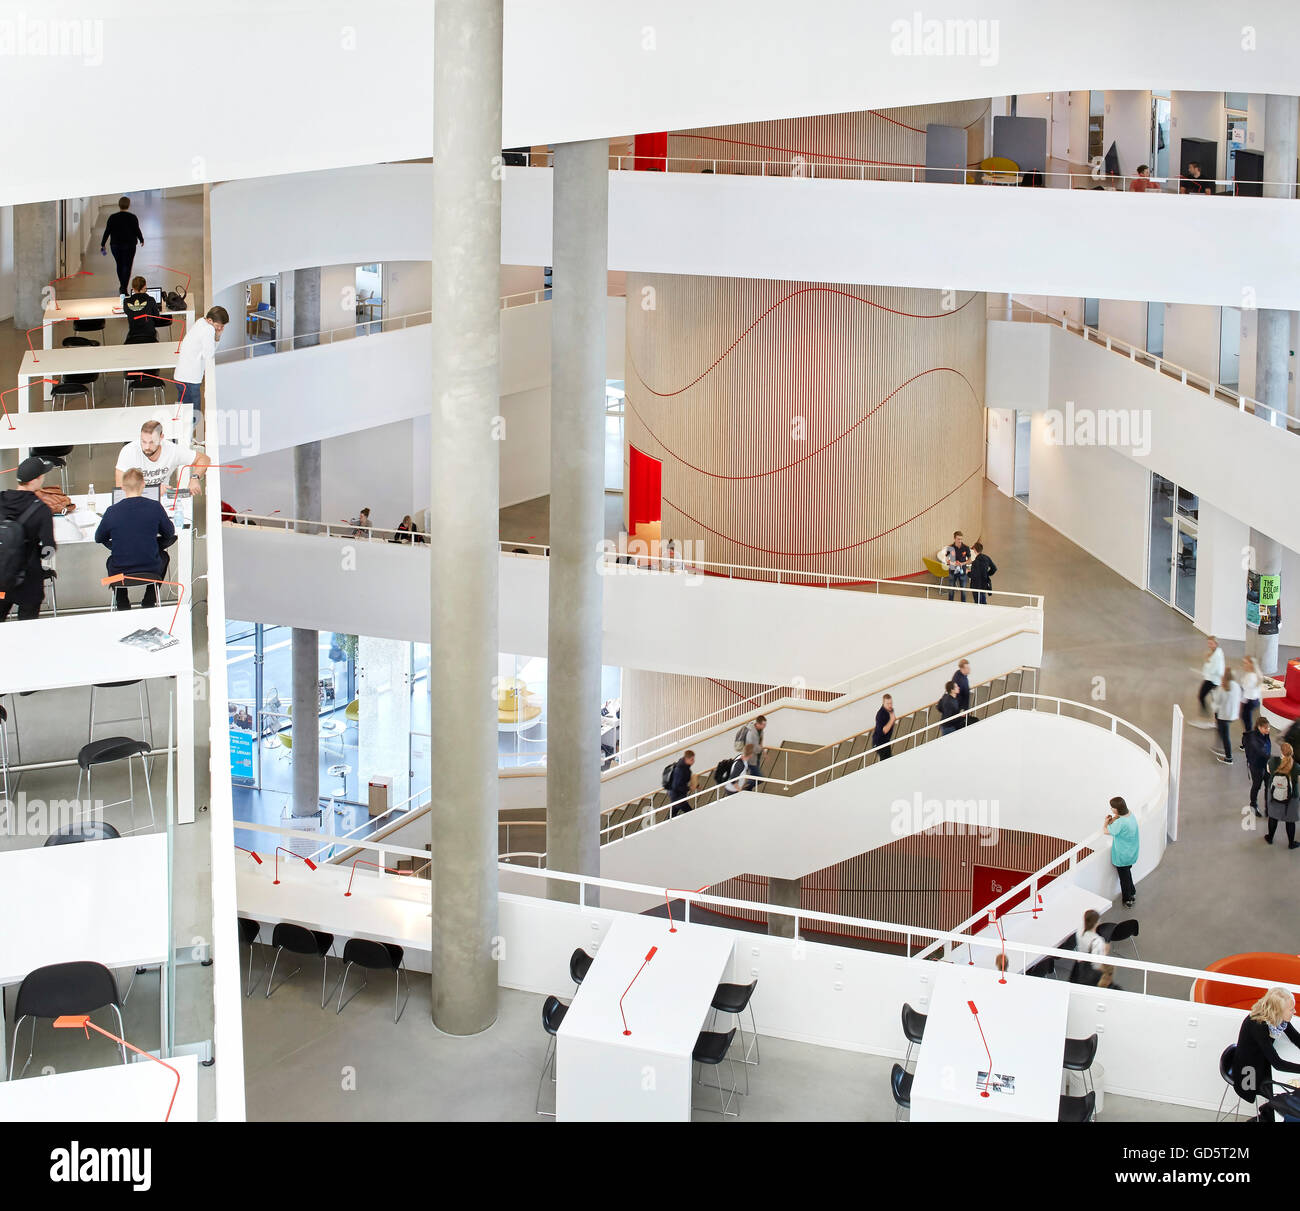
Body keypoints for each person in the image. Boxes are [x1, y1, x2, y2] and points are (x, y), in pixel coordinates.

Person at [95, 468, 176, 610]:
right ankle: (149, 601)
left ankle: (122, 603)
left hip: (120, 572)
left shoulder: (112, 511)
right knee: (163, 556)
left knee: (110, 561)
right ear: (143, 484)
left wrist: (116, 545)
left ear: (122, 487)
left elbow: (99, 538)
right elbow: (169, 533)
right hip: (151, 568)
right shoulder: (155, 507)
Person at [0, 456, 56, 621]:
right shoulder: (41, 509)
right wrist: (37, 552)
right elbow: (49, 549)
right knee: (27, 632)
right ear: (36, 480)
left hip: (2, 577)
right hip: (28, 581)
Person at [1232, 987, 1300, 1121]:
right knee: (1287, 1097)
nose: (1294, 1011)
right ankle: (1267, 1116)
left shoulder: (1277, 1019)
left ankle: (1269, 1114)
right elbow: (1278, 1064)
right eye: (1291, 1009)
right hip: (1248, 1076)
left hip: (1261, 1065)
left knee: (1291, 1093)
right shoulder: (1258, 1025)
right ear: (1278, 1010)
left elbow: (1296, 1038)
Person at [173, 305, 229, 433]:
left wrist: (216, 334)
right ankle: (189, 441)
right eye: (218, 325)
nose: (219, 328)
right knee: (194, 415)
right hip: (191, 379)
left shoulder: (200, 322)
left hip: (180, 375)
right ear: (210, 320)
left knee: (182, 412)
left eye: (222, 326)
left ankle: (181, 439)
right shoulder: (208, 330)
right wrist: (218, 336)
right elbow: (209, 355)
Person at [116, 420, 208, 494]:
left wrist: (195, 478)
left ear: (161, 438)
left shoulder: (172, 450)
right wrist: (153, 491)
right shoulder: (129, 451)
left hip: (161, 500)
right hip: (135, 500)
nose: (147, 447)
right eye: (143, 441)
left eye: (152, 442)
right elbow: (120, 490)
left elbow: (204, 459)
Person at [99, 195, 144, 295]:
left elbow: (107, 231)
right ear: (128, 205)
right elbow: (137, 230)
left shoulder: (112, 217)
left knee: (119, 264)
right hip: (130, 245)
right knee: (127, 266)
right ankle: (123, 288)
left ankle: (122, 287)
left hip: (115, 245)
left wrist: (103, 244)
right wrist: (141, 239)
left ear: (119, 205)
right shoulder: (132, 217)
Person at [1104, 796, 1139, 908]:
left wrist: (1106, 822)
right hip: (1131, 852)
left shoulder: (1121, 823)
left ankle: (1128, 899)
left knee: (1124, 879)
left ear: (1116, 809)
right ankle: (1132, 890)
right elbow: (1119, 817)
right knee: (1127, 873)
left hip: (1122, 855)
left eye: (1112, 807)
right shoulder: (1130, 815)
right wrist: (1113, 819)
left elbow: (1106, 831)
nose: (1111, 809)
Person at [1264, 742, 1299, 849]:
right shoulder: (1296, 766)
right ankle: (1291, 843)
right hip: (1291, 797)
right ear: (1292, 753)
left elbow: (1268, 772)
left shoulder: (1272, 761)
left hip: (1274, 794)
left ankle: (1270, 838)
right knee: (1290, 820)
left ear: (1281, 751)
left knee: (1273, 817)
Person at [1074, 909, 1114, 988]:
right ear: (1096, 923)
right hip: (1090, 971)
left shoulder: (1079, 931)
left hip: (1081, 962)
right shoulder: (1098, 941)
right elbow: (1096, 964)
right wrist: (1105, 951)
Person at [1211, 668, 1242, 765]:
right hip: (1232, 714)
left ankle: (1229, 757)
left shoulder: (1222, 689)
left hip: (1223, 716)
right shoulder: (1236, 686)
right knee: (1223, 732)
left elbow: (1216, 702)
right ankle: (1221, 747)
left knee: (1225, 736)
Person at [1245, 717, 1273, 818]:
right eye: (1265, 728)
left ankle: (1268, 808)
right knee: (1256, 786)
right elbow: (1260, 751)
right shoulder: (1253, 738)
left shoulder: (1265, 735)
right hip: (1256, 766)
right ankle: (1253, 805)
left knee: (1268, 787)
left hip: (1266, 765)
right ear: (1259, 727)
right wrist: (1274, 759)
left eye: (1268, 728)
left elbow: (1267, 749)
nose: (1268, 730)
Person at [121, 275, 161, 343]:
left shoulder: (126, 301)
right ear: (144, 287)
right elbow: (157, 318)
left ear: (133, 288)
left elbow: (128, 312)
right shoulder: (151, 300)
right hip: (150, 336)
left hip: (133, 337)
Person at [737, 715, 767, 790]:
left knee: (753, 776)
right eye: (763, 724)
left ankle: (747, 789)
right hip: (750, 758)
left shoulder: (761, 731)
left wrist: (763, 752)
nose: (764, 726)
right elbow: (751, 746)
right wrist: (760, 749)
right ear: (758, 724)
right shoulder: (751, 733)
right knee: (759, 778)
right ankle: (744, 788)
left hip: (756, 757)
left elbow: (760, 742)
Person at [1239, 655, 1263, 745]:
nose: (1244, 665)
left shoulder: (1250, 677)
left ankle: (1248, 743)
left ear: (1251, 665)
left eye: (1245, 663)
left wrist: (1240, 707)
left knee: (1247, 722)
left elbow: (1245, 694)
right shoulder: (1256, 674)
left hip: (1249, 701)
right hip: (1255, 700)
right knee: (1248, 721)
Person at [941, 530, 972, 602]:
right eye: (958, 539)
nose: (960, 541)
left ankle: (963, 605)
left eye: (961, 539)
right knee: (951, 590)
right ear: (954, 538)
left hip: (962, 572)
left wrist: (962, 563)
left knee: (963, 591)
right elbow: (946, 559)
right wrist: (953, 563)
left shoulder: (966, 548)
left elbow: (970, 560)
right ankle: (950, 605)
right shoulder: (950, 548)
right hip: (952, 571)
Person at [1197, 637, 1225, 714]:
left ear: (1216, 644)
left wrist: (1207, 660)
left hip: (1213, 680)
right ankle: (1215, 717)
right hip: (1212, 679)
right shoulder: (1215, 653)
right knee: (1214, 699)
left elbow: (1215, 669)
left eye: (1211, 643)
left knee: (1202, 696)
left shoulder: (1217, 655)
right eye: (1208, 643)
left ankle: (1207, 713)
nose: (1209, 645)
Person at [667, 749, 695, 817]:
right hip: (677, 796)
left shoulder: (684, 767)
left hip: (676, 795)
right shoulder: (680, 770)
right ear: (686, 759)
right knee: (690, 813)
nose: (693, 761)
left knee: (672, 814)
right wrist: (689, 788)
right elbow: (677, 785)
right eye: (692, 759)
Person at [872, 693, 896, 759]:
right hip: (879, 742)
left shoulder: (891, 710)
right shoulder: (880, 715)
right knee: (886, 760)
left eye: (891, 703)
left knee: (889, 758)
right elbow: (884, 731)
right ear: (883, 703)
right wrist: (892, 720)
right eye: (888, 704)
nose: (890, 705)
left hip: (886, 741)